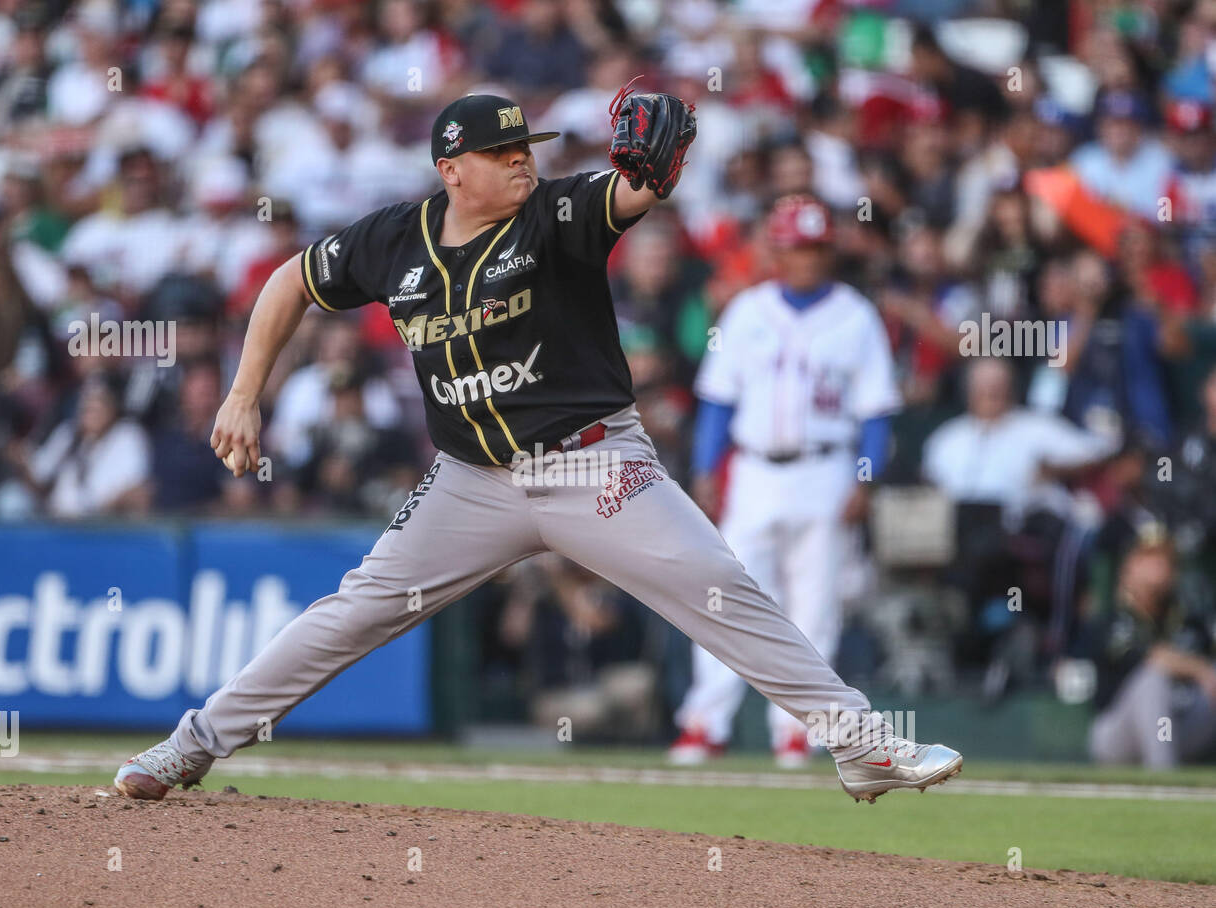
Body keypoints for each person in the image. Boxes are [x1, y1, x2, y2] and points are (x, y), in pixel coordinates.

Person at [113, 89, 961, 804]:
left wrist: (649, 177)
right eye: (502, 149)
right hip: (469, 483)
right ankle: (191, 745)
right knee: (355, 610)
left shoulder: (555, 215)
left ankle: (860, 742)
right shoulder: (392, 240)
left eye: (527, 145)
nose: (523, 159)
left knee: (717, 586)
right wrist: (243, 390)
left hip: (592, 464)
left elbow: (625, 196)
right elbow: (288, 281)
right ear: (452, 169)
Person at [669, 195, 900, 767]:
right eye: (797, 249)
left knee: (814, 608)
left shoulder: (856, 314)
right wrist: (705, 469)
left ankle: (799, 733)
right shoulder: (748, 311)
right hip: (753, 471)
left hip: (826, 467)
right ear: (777, 250)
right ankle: (706, 723)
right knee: (723, 599)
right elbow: (718, 402)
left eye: (817, 249)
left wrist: (864, 479)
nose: (807, 260)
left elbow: (877, 413)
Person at [1082, 536, 1216, 767]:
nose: (1158, 567)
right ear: (1129, 568)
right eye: (1148, 559)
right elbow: (1154, 659)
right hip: (1120, 734)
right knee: (1153, 680)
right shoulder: (1111, 620)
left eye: (1163, 560)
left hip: (1180, 727)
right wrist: (1199, 669)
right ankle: (1163, 778)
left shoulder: (1187, 618)